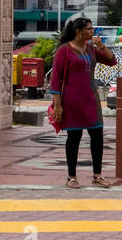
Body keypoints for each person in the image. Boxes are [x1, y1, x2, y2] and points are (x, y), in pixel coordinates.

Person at [49, 18, 116, 189]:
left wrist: (101, 46)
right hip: (71, 101)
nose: (92, 31)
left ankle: (97, 175)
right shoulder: (64, 51)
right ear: (79, 31)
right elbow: (55, 80)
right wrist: (57, 106)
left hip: (91, 99)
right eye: (89, 28)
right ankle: (71, 177)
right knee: (74, 137)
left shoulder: (91, 49)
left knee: (97, 136)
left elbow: (111, 61)